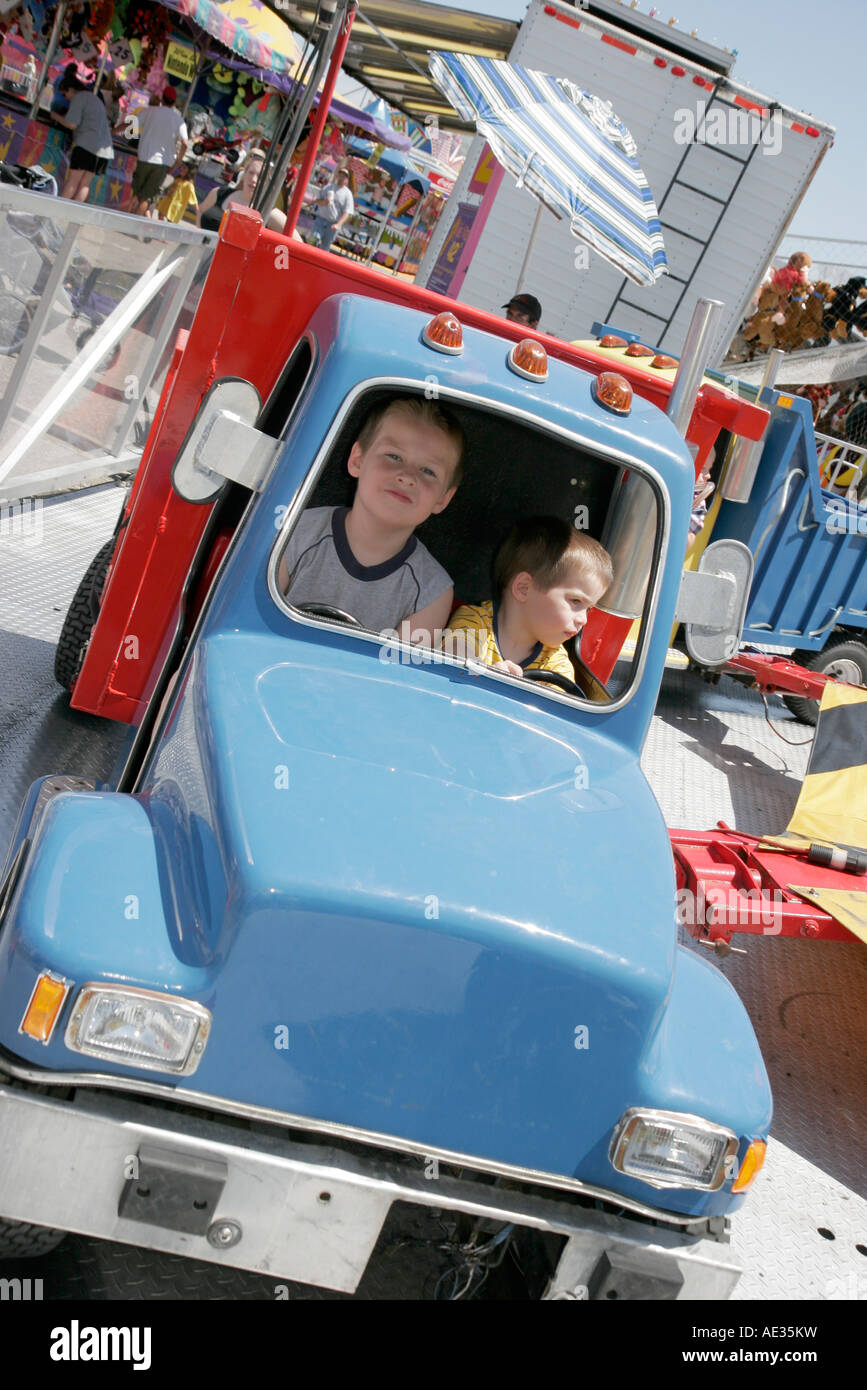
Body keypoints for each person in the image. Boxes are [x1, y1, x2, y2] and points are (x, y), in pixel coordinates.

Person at [277, 396, 463, 641]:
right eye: (394, 456)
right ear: (357, 460)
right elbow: (251, 624)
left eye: (428, 471)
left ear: (443, 499)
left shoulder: (432, 591)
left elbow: (396, 674)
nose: (407, 477)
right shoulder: (292, 532)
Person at [446, 517, 612, 679]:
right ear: (523, 588)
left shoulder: (556, 663)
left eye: (588, 608)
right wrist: (483, 677)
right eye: (576, 601)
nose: (583, 620)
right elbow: (451, 667)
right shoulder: (473, 622)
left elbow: (557, 700)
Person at [129, 84, 188, 217]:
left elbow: (131, 128)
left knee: (137, 193)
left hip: (144, 157)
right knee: (147, 197)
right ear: (174, 102)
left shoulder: (149, 111)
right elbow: (185, 143)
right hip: (162, 164)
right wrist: (178, 161)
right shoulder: (179, 120)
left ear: (162, 98)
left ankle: (136, 220)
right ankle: (137, 223)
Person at [55, 75, 114, 203]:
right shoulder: (94, 98)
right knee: (85, 184)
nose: (66, 99)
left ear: (70, 89)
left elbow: (71, 124)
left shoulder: (79, 98)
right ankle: (72, 220)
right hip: (104, 149)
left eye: (65, 95)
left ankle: (53, 213)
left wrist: (55, 116)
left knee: (73, 180)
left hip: (87, 145)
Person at [197, 149, 263, 230]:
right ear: (244, 173)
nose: (253, 179)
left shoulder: (265, 211)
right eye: (251, 173)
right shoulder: (219, 193)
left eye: (259, 175)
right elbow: (200, 210)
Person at [306, 166, 354, 251]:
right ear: (338, 176)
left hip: (332, 224)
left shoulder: (348, 194)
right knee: (314, 239)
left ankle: (317, 262)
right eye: (341, 175)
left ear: (347, 180)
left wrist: (338, 224)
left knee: (325, 247)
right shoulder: (328, 187)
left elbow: (347, 212)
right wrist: (324, 202)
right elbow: (317, 201)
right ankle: (307, 257)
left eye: (344, 176)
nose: (342, 177)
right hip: (321, 219)